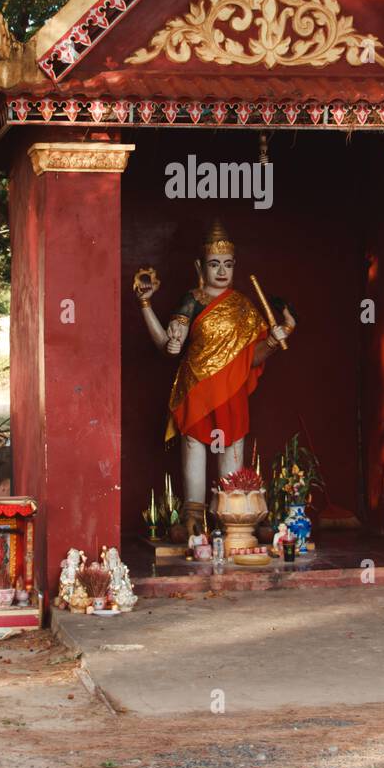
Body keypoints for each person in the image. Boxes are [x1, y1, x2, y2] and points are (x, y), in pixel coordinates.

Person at [135, 220, 295, 534]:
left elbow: (253, 358)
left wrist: (277, 338)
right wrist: (145, 305)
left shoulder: (244, 306)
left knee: (232, 447)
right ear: (200, 266)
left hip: (232, 388)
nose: (221, 271)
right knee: (195, 447)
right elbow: (168, 348)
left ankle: (232, 516)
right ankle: (193, 517)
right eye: (214, 264)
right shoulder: (192, 301)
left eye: (227, 265)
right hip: (197, 387)